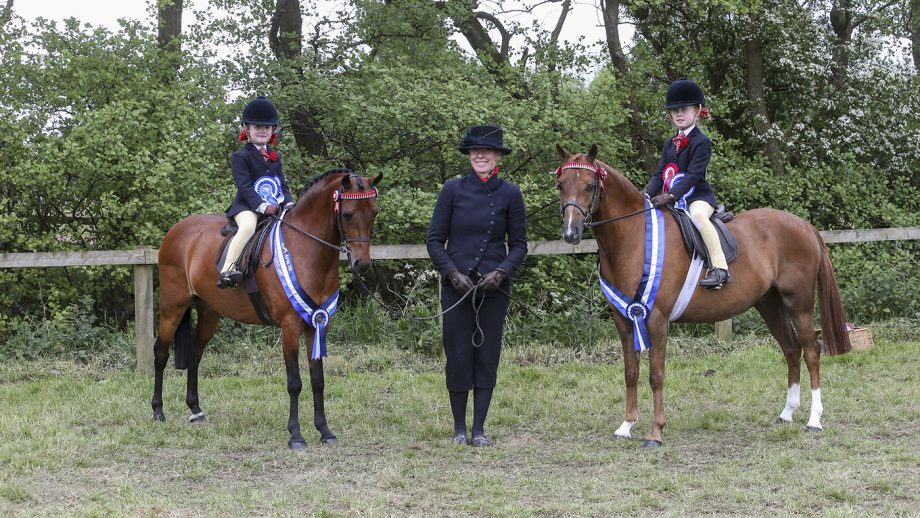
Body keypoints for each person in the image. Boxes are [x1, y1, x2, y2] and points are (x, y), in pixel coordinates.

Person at [426, 125, 528, 447]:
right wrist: (452, 273)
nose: (480, 156)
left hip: (493, 290)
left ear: (497, 156)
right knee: (457, 355)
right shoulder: (452, 190)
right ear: (470, 156)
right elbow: (433, 240)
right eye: (474, 152)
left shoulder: (511, 193)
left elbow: (520, 245)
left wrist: (501, 272)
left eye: (486, 151)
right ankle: (459, 428)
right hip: (456, 288)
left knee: (487, 355)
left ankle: (479, 429)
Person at [645, 79, 731, 290]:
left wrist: (670, 195)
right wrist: (645, 195)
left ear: (697, 110)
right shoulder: (669, 143)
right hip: (672, 198)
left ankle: (720, 268)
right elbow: (659, 174)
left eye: (684, 109)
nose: (679, 114)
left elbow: (693, 175)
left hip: (698, 198)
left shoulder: (701, 142)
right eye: (674, 111)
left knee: (699, 217)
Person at [217, 96, 295, 289]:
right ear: (247, 129)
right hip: (247, 207)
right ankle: (227, 270)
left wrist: (289, 203)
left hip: (274, 206)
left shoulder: (275, 158)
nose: (262, 131)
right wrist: (262, 206)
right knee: (248, 228)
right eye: (257, 127)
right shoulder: (241, 156)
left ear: (272, 130)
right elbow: (244, 187)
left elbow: (282, 184)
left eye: (266, 127)